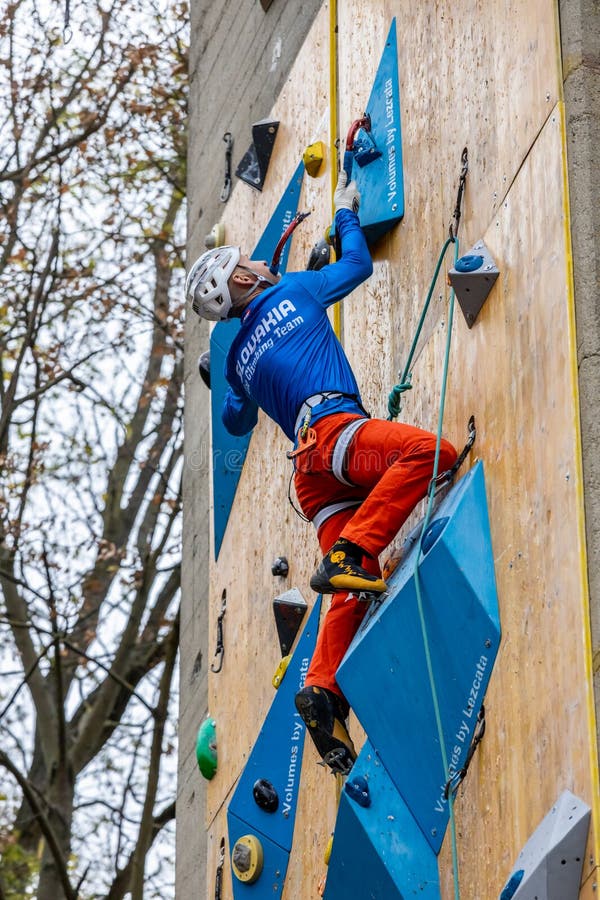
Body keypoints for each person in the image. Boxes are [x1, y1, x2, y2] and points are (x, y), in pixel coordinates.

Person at [186, 171, 457, 775]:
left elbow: (235, 421)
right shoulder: (298, 290)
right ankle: (352, 550)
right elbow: (356, 266)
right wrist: (345, 211)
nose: (258, 261)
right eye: (247, 260)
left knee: (350, 593)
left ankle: (322, 691)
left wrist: (222, 375)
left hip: (310, 476)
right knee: (432, 454)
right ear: (240, 278)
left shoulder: (239, 358)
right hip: (336, 436)